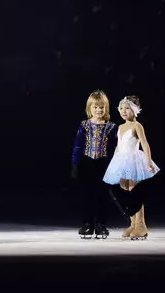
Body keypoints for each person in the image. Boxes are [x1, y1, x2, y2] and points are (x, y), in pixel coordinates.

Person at [103, 96, 160, 239]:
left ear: (134, 110)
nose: (123, 111)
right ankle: (133, 224)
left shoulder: (137, 126)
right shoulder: (121, 127)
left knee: (134, 193)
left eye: (127, 108)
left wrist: (148, 161)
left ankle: (141, 225)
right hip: (121, 161)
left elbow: (144, 143)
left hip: (134, 159)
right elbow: (118, 146)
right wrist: (114, 162)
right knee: (125, 193)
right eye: (121, 108)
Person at [71, 90, 118, 239]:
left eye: (101, 107)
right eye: (95, 107)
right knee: (87, 195)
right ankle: (87, 224)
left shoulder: (110, 127)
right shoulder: (84, 125)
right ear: (89, 108)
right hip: (87, 163)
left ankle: (101, 225)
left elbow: (114, 147)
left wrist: (115, 166)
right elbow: (78, 146)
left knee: (103, 195)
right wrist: (74, 164)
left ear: (106, 108)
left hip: (104, 163)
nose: (98, 110)